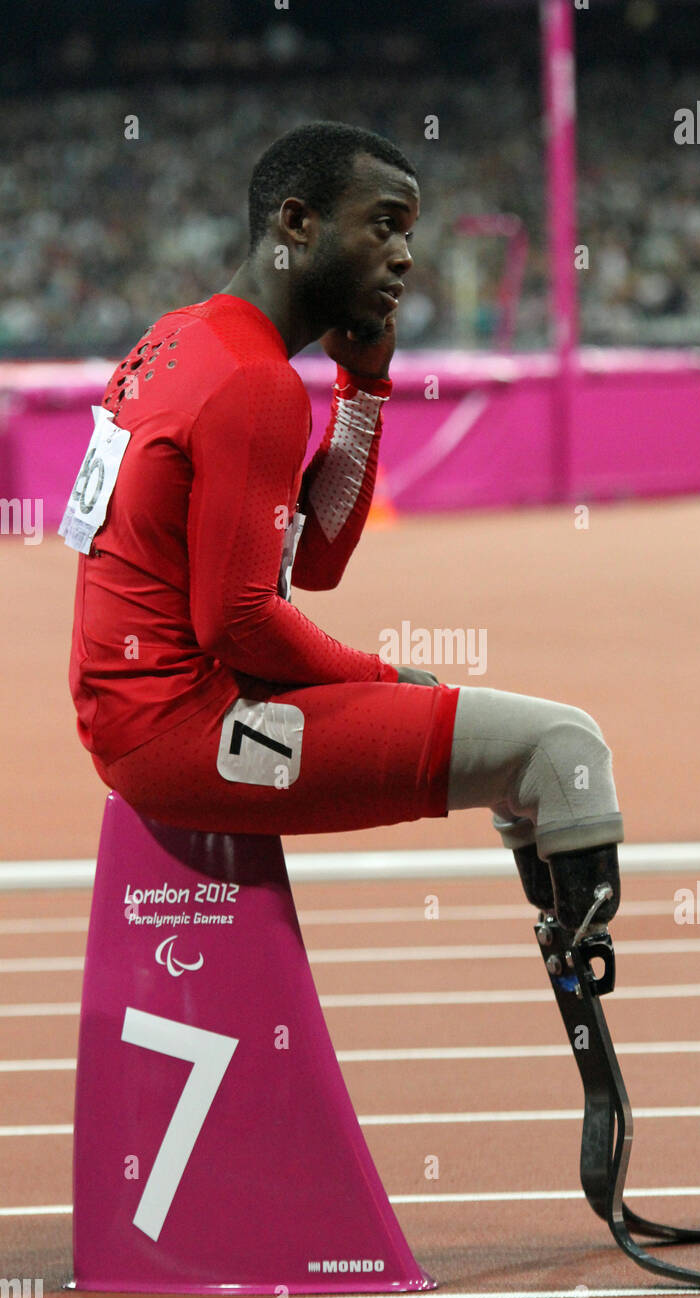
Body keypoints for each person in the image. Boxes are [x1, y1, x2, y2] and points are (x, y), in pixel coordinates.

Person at [61, 120, 623, 938]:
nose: (403, 255)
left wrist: (361, 388)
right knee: (562, 749)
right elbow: (242, 620)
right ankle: (594, 1035)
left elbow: (314, 560)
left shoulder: (180, 338)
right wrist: (386, 679)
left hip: (135, 716)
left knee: (520, 746)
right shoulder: (253, 383)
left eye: (410, 234)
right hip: (191, 732)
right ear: (298, 224)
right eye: (384, 224)